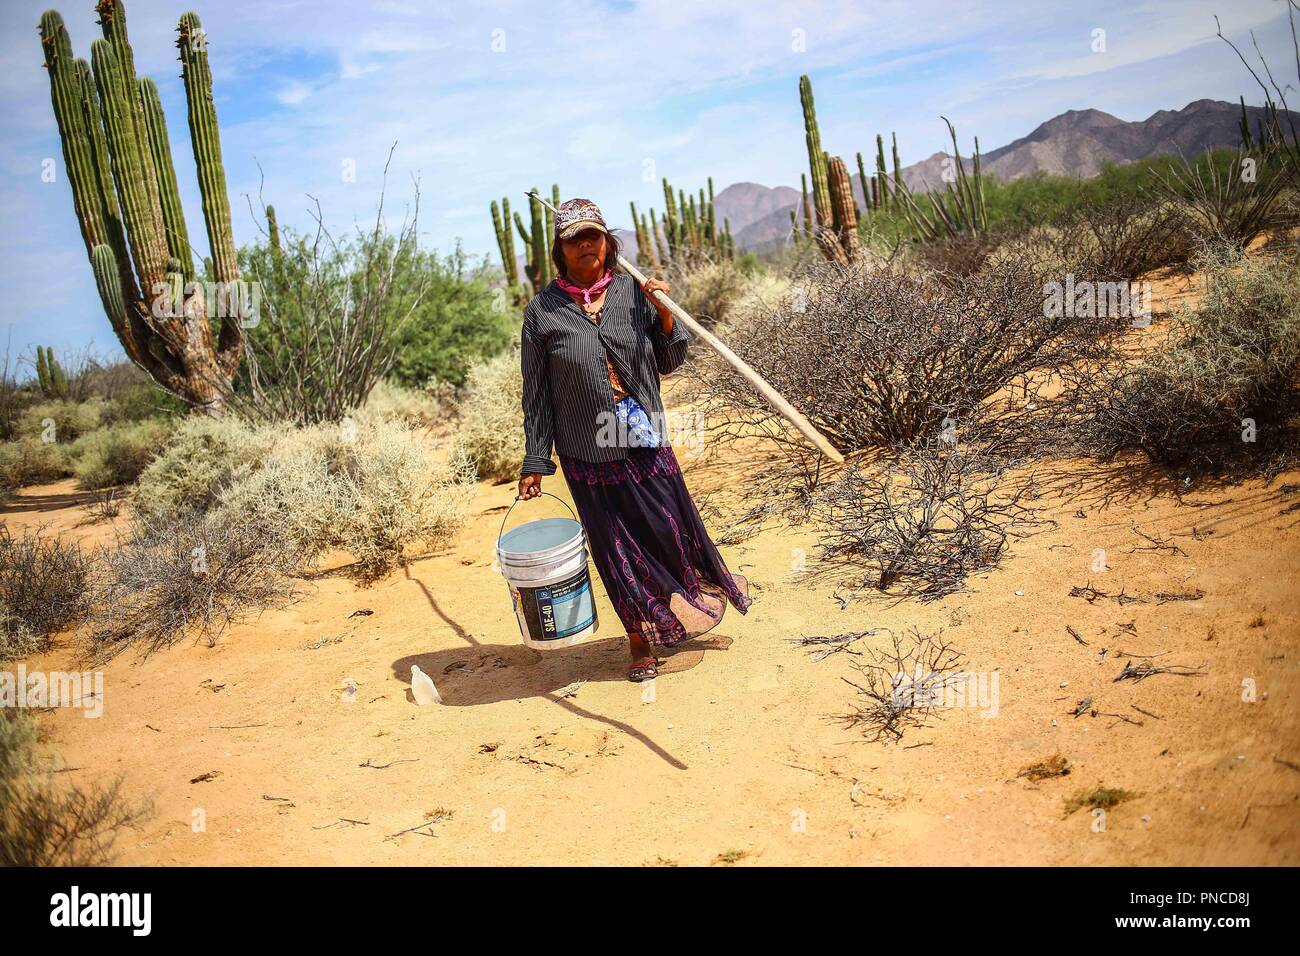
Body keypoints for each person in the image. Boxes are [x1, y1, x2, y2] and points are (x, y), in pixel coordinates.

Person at [517, 197, 752, 681]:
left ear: (607, 241)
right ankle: (639, 639)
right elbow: (536, 394)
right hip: (587, 448)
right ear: (560, 249)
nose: (585, 245)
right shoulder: (543, 312)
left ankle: (679, 606)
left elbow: (670, 360)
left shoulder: (631, 291)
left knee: (668, 529)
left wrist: (664, 313)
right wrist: (536, 460)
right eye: (574, 239)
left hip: (644, 434)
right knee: (616, 548)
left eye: (593, 236)